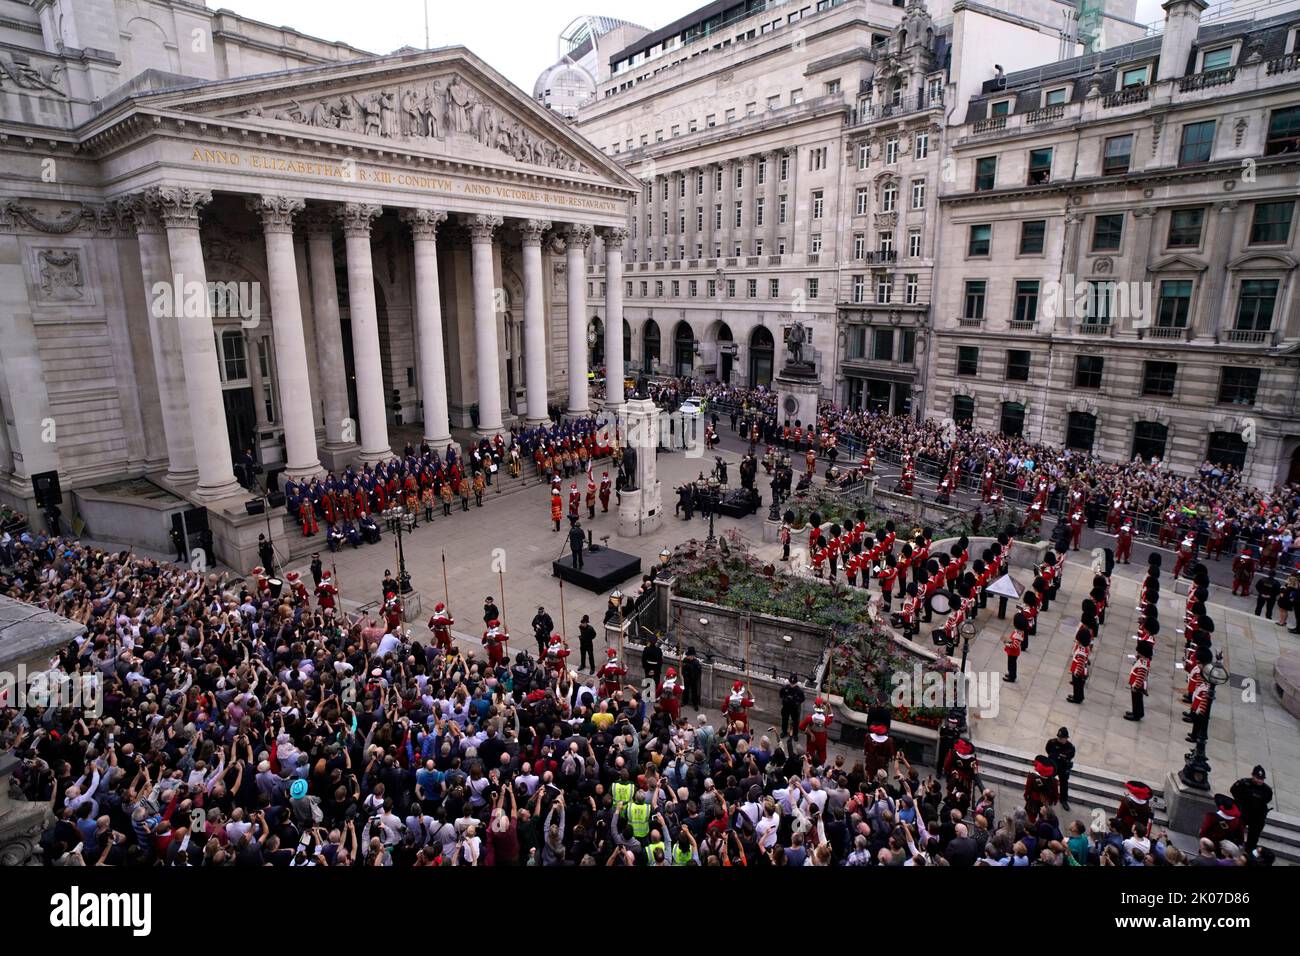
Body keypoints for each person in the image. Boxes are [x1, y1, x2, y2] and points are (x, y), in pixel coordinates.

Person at [1230, 766, 1273, 852]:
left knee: (1252, 841)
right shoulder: (1243, 783)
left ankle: (1249, 856)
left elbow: (1267, 799)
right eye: (1257, 778)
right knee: (1235, 835)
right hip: (1243, 814)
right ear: (1252, 775)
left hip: (1257, 818)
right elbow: (1233, 791)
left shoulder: (1267, 790)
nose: (1259, 780)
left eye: (1261, 779)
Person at [1046, 728, 1075, 812]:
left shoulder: (1070, 747)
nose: (1060, 739)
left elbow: (1070, 756)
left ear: (1066, 738)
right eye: (1059, 737)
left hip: (1063, 767)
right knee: (1050, 781)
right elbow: (1048, 750)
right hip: (1053, 766)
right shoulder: (1052, 743)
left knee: (1064, 784)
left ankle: (1063, 800)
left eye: (1062, 738)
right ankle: (1049, 798)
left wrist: (1061, 757)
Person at [779, 674, 805, 741]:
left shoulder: (799, 691)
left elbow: (802, 699)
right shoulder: (785, 688)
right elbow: (781, 694)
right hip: (786, 707)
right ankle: (784, 732)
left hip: (794, 708)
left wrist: (797, 702)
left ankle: (795, 734)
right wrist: (785, 699)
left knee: (795, 722)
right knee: (784, 720)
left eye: (793, 683)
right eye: (791, 683)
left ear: (796, 682)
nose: (792, 685)